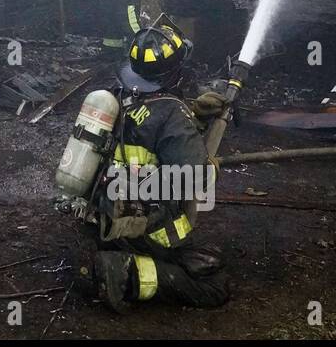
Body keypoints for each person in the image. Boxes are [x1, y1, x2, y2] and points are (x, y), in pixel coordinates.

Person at [87, 23, 230, 312]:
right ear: (175, 72)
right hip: (144, 231)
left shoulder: (116, 96)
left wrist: (194, 117)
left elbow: (147, 127)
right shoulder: (172, 115)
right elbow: (192, 179)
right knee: (214, 286)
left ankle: (119, 255)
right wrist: (212, 166)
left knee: (208, 258)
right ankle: (125, 273)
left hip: (105, 214)